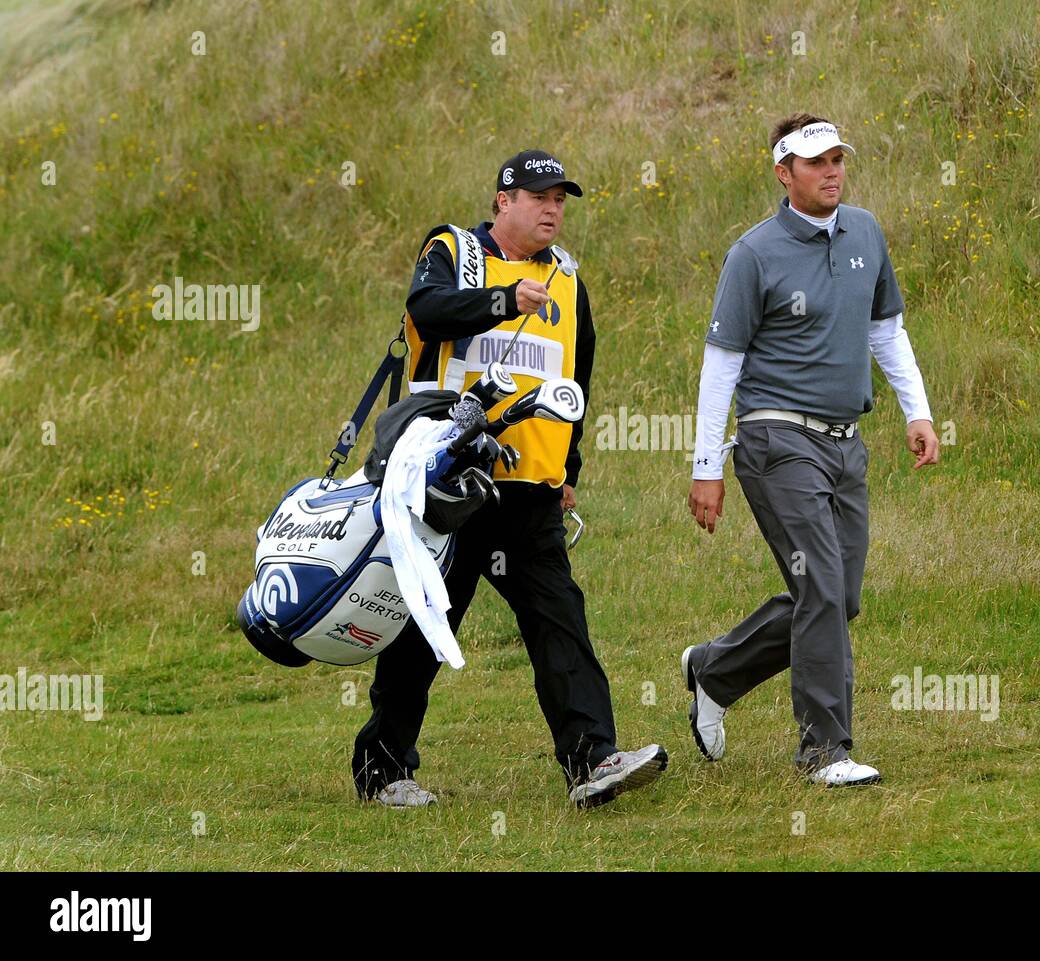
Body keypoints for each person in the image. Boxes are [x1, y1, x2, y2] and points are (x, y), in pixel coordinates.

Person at [352, 149, 667, 808]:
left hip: (529, 489)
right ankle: (383, 768)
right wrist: (501, 298)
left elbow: (573, 377)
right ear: (504, 202)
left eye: (560, 199)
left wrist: (568, 469)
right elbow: (428, 310)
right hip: (448, 481)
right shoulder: (455, 250)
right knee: (423, 628)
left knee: (560, 622)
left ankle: (592, 759)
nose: (553, 209)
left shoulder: (566, 277)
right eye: (539, 197)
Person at [685, 114, 939, 786]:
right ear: (783, 172)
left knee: (836, 596)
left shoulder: (865, 231)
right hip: (776, 440)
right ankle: (824, 749)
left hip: (845, 443)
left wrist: (917, 410)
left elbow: (886, 329)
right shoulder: (755, 253)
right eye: (815, 161)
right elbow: (722, 363)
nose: (831, 171)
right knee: (822, 587)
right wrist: (706, 467)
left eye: (837, 159)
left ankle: (715, 667)